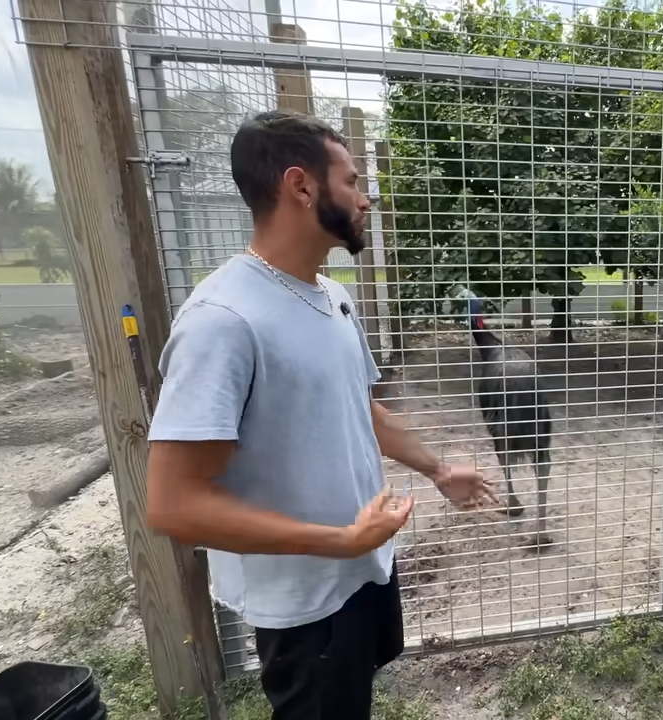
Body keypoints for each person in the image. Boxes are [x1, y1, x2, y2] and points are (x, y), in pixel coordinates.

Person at [144, 109, 500, 719]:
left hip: (362, 566)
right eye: (353, 182)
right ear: (301, 186)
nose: (366, 200)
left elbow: (359, 406)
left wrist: (438, 470)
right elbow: (172, 505)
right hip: (305, 600)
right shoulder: (223, 323)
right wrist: (337, 542)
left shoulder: (330, 296)